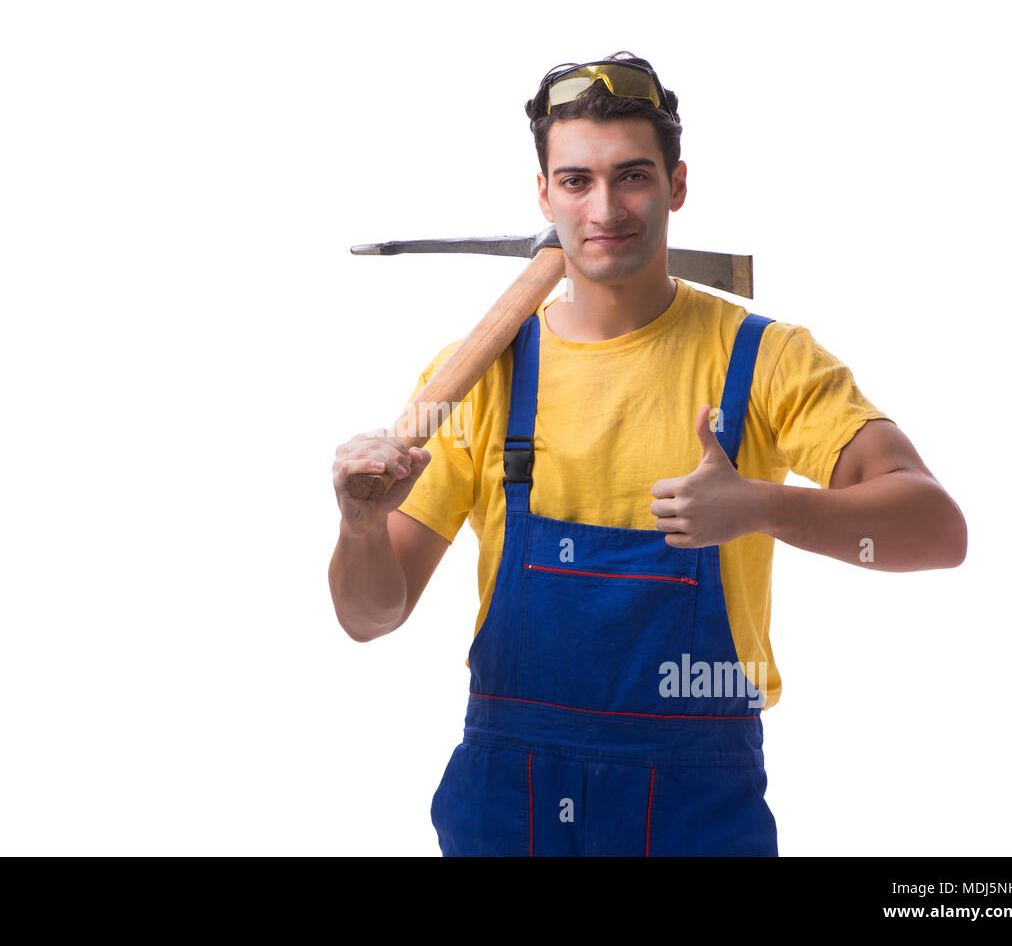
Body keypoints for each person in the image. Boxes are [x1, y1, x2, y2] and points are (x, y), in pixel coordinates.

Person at [328, 52, 967, 856]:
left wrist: (764, 505)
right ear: (543, 194)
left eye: (632, 176)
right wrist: (358, 528)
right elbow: (369, 615)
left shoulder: (763, 360)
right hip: (506, 805)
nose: (604, 210)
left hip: (696, 810)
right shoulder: (480, 377)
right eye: (576, 182)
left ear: (678, 184)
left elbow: (938, 531)